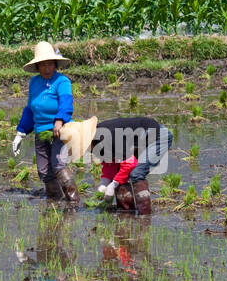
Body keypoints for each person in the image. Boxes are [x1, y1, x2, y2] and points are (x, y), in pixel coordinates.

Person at [59, 115, 174, 216]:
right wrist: (105, 181)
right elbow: (111, 163)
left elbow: (130, 163)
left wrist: (113, 184)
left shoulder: (107, 136)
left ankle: (144, 216)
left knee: (136, 174)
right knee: (121, 174)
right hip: (141, 142)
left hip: (159, 137)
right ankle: (127, 213)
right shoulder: (97, 141)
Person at [11, 41, 76, 201]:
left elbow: (66, 104)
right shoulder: (34, 82)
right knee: (44, 170)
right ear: (38, 66)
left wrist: (59, 121)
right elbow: (30, 109)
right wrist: (20, 133)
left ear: (55, 65)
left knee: (58, 165)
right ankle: (55, 201)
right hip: (41, 132)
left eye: (50, 64)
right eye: (43, 65)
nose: (47, 68)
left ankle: (73, 201)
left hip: (59, 131)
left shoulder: (62, 82)